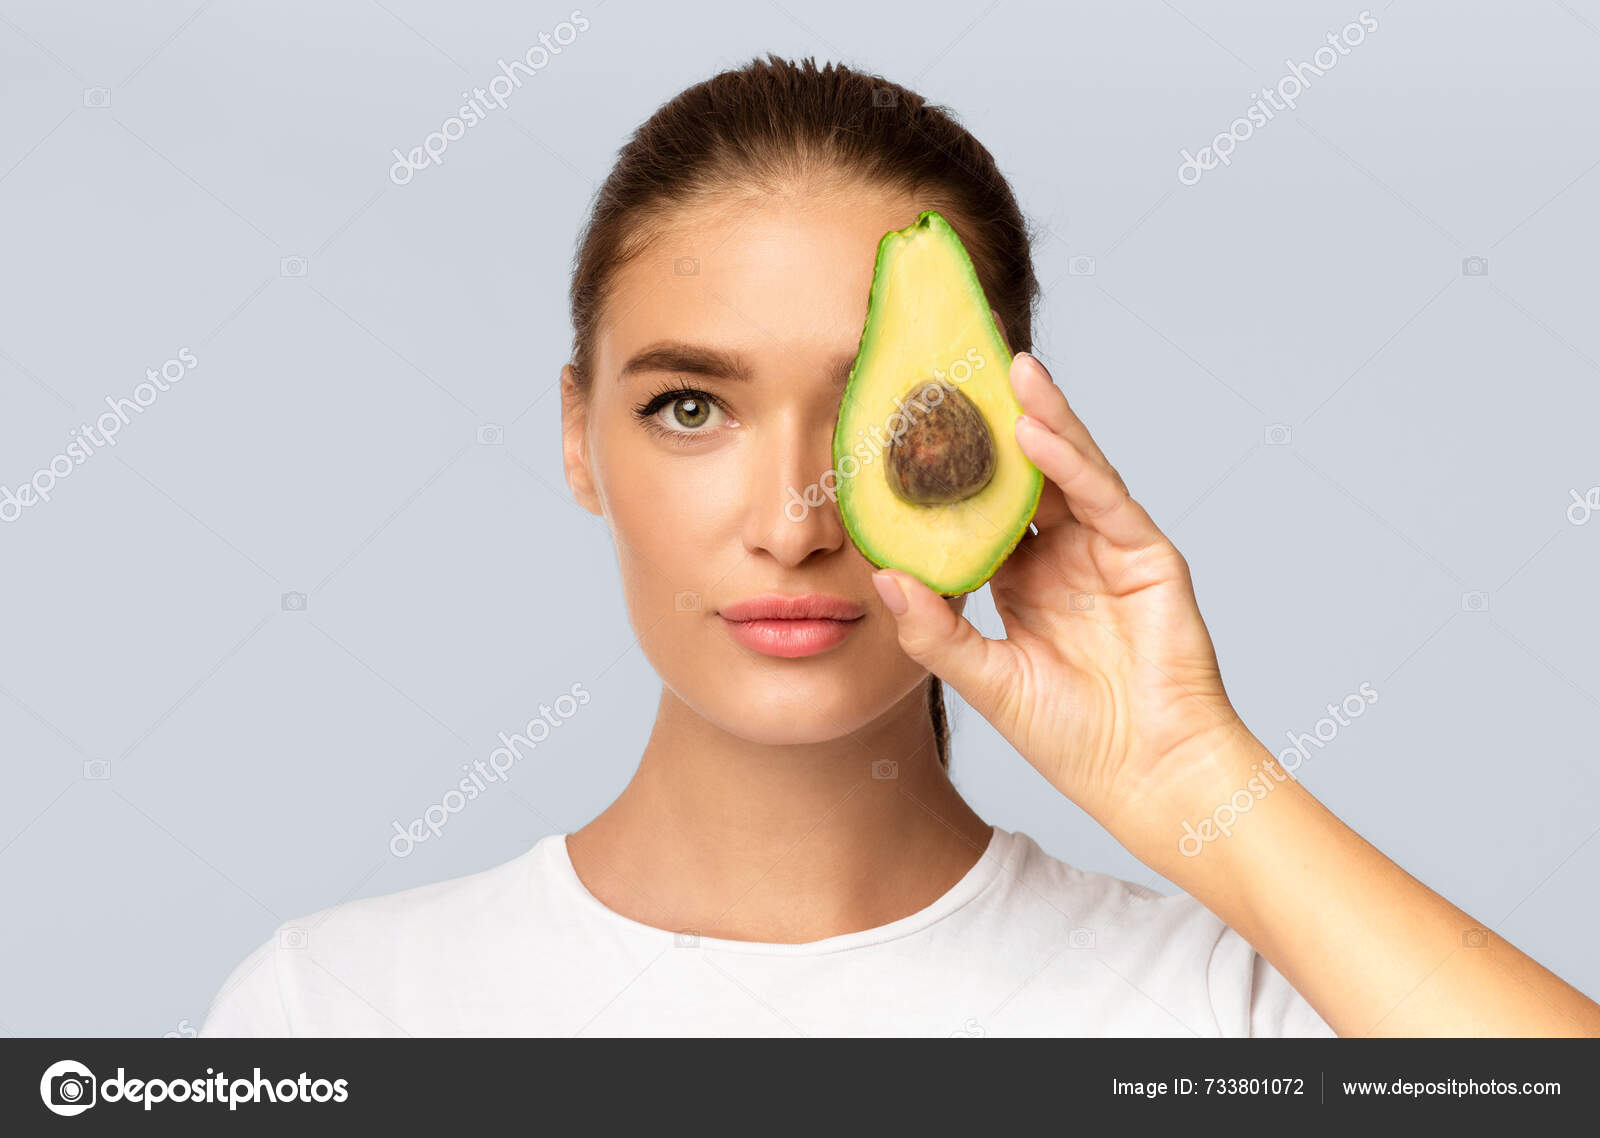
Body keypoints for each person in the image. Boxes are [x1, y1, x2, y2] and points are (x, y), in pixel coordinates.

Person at [201, 56, 1600, 1037]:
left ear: (1016, 429)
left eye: (895, 414)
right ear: (580, 436)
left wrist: (1193, 775)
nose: (797, 520)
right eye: (691, 406)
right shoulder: (337, 1011)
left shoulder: (1231, 1011)